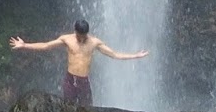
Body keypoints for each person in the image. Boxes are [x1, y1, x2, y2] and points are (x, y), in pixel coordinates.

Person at [9, 18, 148, 107]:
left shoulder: (94, 42)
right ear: (75, 31)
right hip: (70, 79)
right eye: (79, 36)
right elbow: (46, 46)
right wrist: (25, 45)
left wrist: (135, 55)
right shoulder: (67, 39)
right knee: (68, 108)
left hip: (83, 81)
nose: (81, 39)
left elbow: (114, 54)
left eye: (84, 36)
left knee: (87, 110)